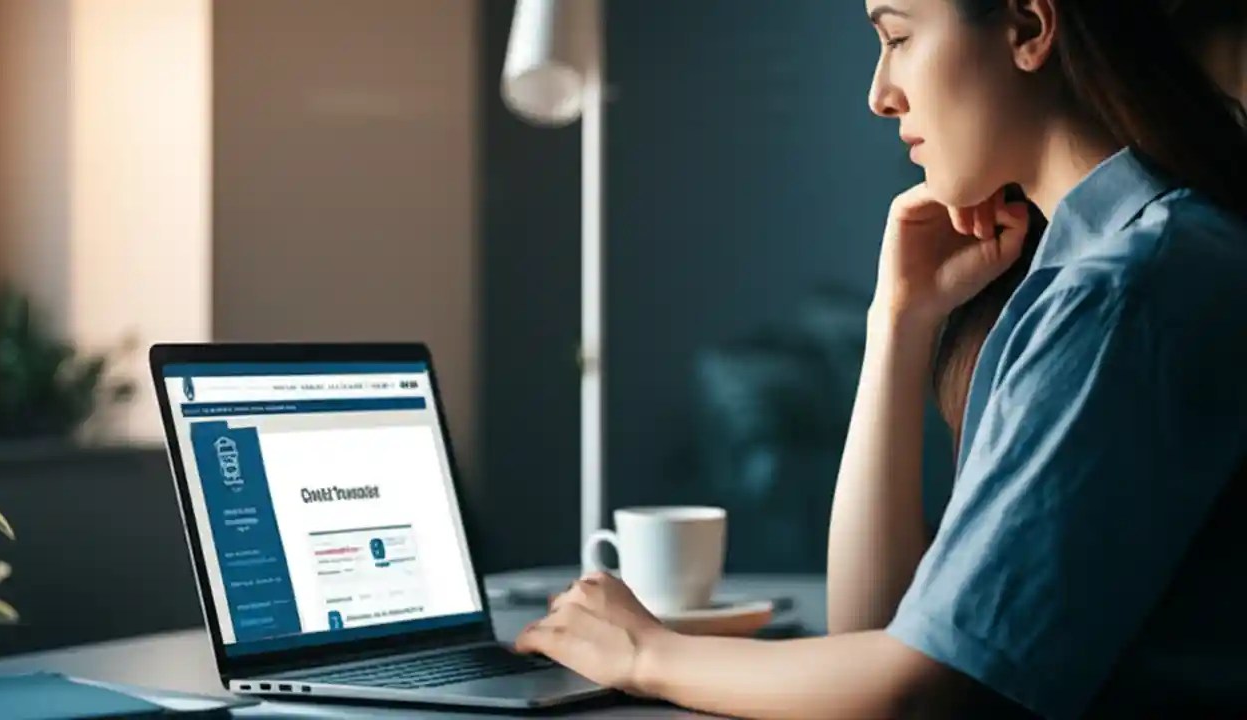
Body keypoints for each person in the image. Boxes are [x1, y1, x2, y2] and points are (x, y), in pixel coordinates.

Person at [513, 1, 1247, 717]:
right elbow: (875, 634)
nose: (879, 95)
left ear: (1028, 27)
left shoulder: (1123, 292)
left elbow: (915, 690)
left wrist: (648, 655)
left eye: (897, 37)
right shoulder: (1136, 262)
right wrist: (899, 321)